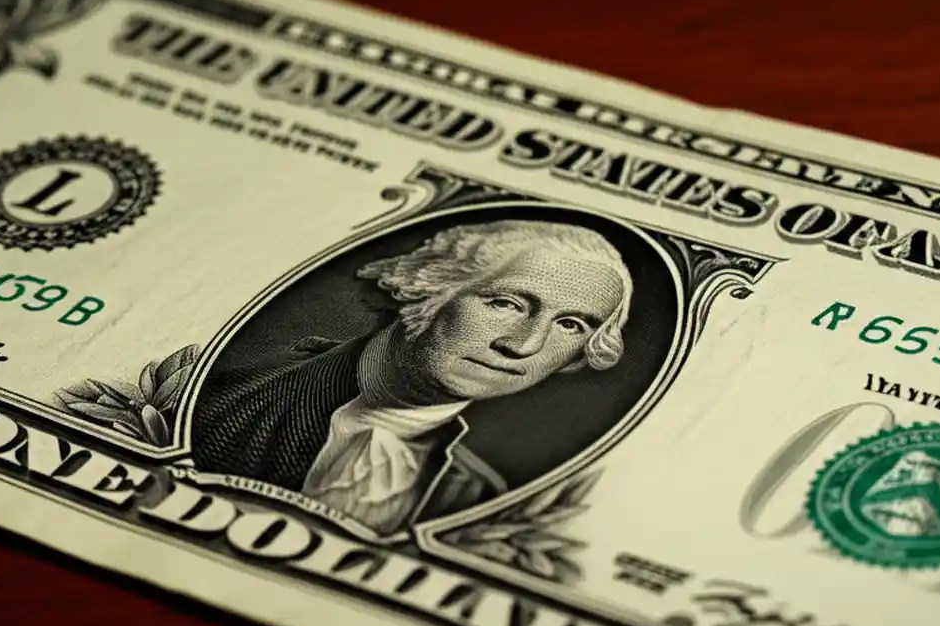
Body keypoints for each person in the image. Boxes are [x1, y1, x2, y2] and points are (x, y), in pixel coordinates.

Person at [190, 218, 634, 535]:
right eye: (507, 303)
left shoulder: (476, 496)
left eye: (571, 325)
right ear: (429, 290)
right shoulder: (215, 407)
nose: (523, 345)